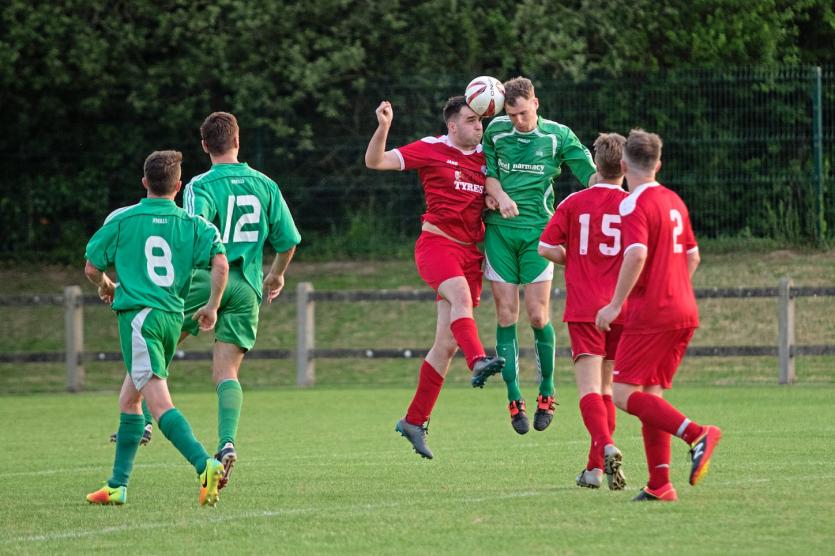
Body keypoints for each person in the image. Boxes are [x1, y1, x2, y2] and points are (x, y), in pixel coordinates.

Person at [84, 150, 229, 506]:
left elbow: (91, 268)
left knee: (159, 404)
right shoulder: (194, 224)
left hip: (139, 321)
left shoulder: (122, 220)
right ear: (178, 186)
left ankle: (204, 465)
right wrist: (210, 306)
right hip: (169, 319)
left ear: (145, 182)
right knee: (130, 399)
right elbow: (221, 263)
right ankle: (117, 485)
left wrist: (106, 286)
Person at [365, 96, 505, 459]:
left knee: (445, 345)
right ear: (452, 125)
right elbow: (375, 161)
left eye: (481, 121)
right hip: (437, 245)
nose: (479, 126)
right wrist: (383, 128)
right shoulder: (431, 149)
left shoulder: (486, 158)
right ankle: (478, 361)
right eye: (472, 120)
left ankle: (414, 420)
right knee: (460, 298)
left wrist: (494, 199)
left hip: (470, 254)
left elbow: (493, 190)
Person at [595, 129, 722, 502]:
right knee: (650, 393)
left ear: (623, 165)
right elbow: (693, 257)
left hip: (651, 313)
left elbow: (636, 254)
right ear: (658, 163)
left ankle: (697, 433)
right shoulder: (674, 201)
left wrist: (615, 304)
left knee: (621, 394)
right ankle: (660, 484)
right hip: (684, 308)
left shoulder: (634, 203)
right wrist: (674, 287)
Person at [181, 111, 302, 489]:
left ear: (205, 145)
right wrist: (276, 273)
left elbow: (193, 235)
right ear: (238, 141)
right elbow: (288, 241)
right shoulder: (265, 184)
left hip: (206, 279)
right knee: (226, 374)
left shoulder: (199, 186)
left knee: (156, 347)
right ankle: (227, 441)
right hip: (248, 285)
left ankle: (142, 420)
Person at [483, 76, 598, 434]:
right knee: (506, 314)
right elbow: (488, 175)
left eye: (522, 113)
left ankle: (546, 392)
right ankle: (514, 398)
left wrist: (610, 199)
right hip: (500, 234)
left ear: (536, 104)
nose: (517, 120)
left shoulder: (558, 136)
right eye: (511, 114)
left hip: (539, 235)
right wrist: (500, 197)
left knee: (536, 316)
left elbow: (591, 175)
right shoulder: (495, 131)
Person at [538, 133, 629, 490]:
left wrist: (574, 259)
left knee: (590, 388)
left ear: (596, 163)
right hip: (621, 308)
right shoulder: (633, 204)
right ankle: (593, 470)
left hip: (585, 306)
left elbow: (546, 247)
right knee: (607, 388)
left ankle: (606, 445)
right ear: (625, 166)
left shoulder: (575, 202)